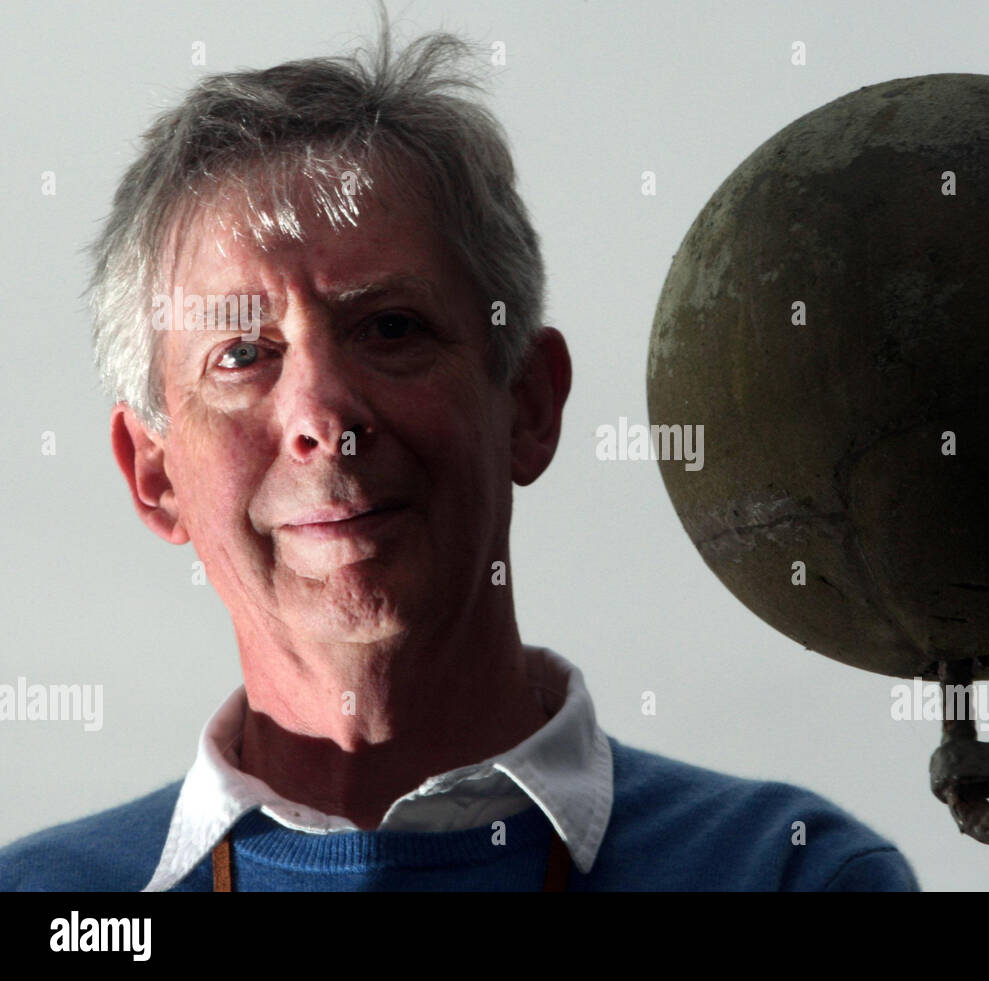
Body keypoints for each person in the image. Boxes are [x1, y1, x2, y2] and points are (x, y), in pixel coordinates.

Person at [0, 24, 919, 892]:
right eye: (242, 354)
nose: (324, 412)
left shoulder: (785, 875)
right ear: (152, 473)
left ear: (529, 401)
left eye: (390, 327)